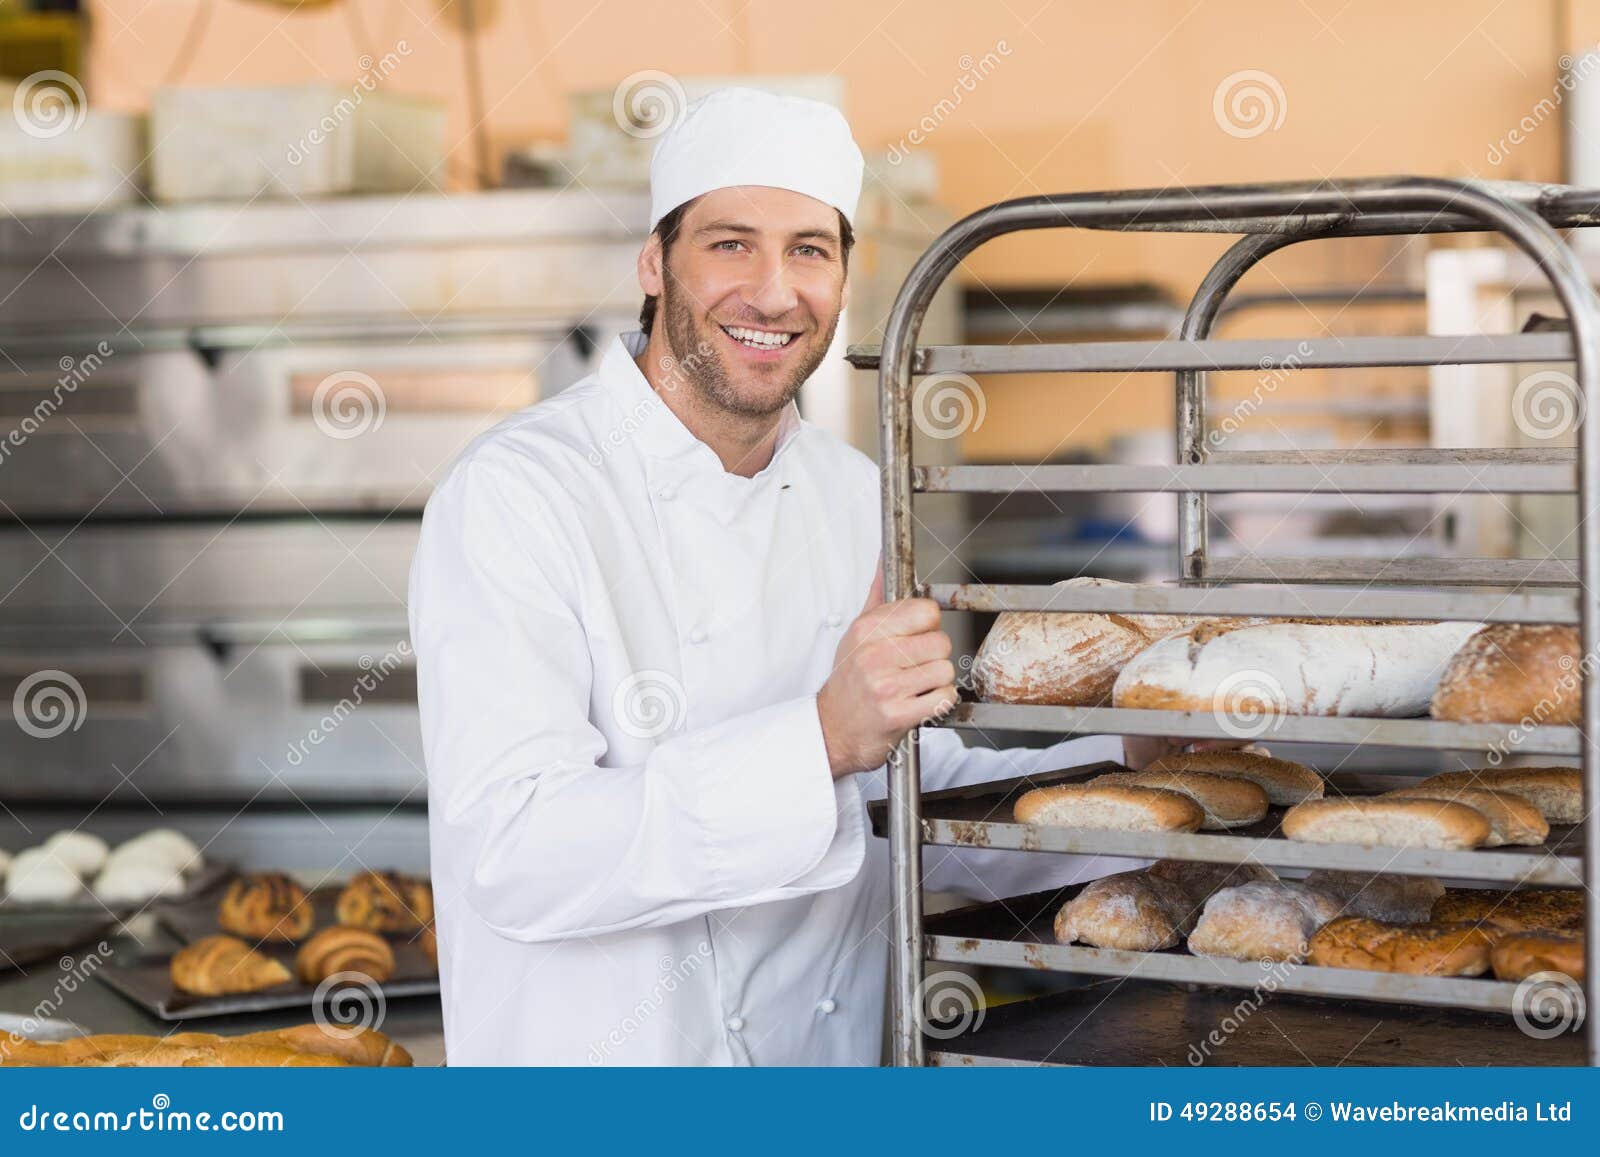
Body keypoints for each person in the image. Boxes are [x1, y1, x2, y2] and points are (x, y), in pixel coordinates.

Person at [409, 86, 1189, 1065]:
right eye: (730, 243)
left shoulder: (854, 490)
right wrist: (819, 736)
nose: (774, 291)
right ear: (654, 262)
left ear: (845, 278)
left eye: (809, 250)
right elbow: (514, 852)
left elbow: (905, 792)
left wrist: (1137, 776)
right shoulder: (519, 493)